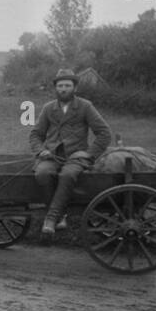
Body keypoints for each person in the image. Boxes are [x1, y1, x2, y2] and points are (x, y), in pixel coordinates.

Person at [29, 67, 112, 241]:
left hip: (77, 157)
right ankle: (60, 216)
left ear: (75, 88)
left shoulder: (85, 106)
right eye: (60, 86)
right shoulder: (48, 108)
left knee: (67, 175)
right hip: (52, 156)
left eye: (67, 85)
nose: (63, 89)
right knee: (42, 174)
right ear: (56, 88)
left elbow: (104, 133)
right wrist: (41, 150)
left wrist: (88, 155)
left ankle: (51, 219)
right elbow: (36, 134)